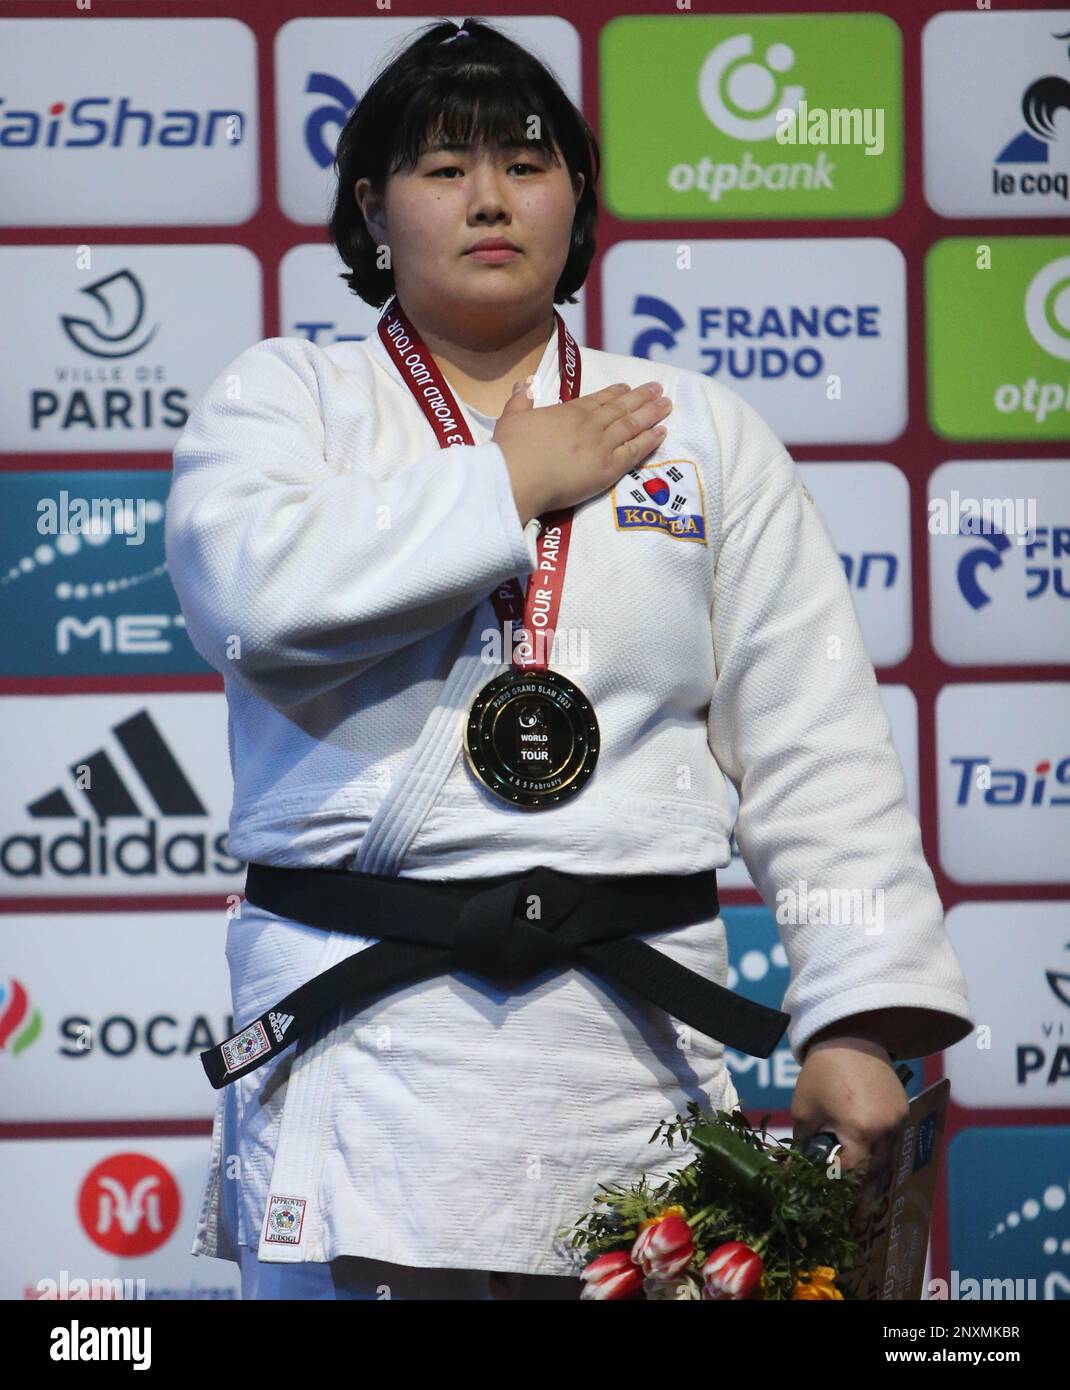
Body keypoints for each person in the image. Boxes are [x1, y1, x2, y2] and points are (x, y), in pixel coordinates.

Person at [165, 17, 974, 1301]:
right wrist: (513, 477)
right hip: (366, 1060)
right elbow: (257, 591)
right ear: (373, 207)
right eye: (442, 169)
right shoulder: (286, 400)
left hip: (630, 1059)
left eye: (526, 164)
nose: (489, 197)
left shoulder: (692, 430)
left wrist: (853, 1015)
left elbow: (816, 747)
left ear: (578, 199)